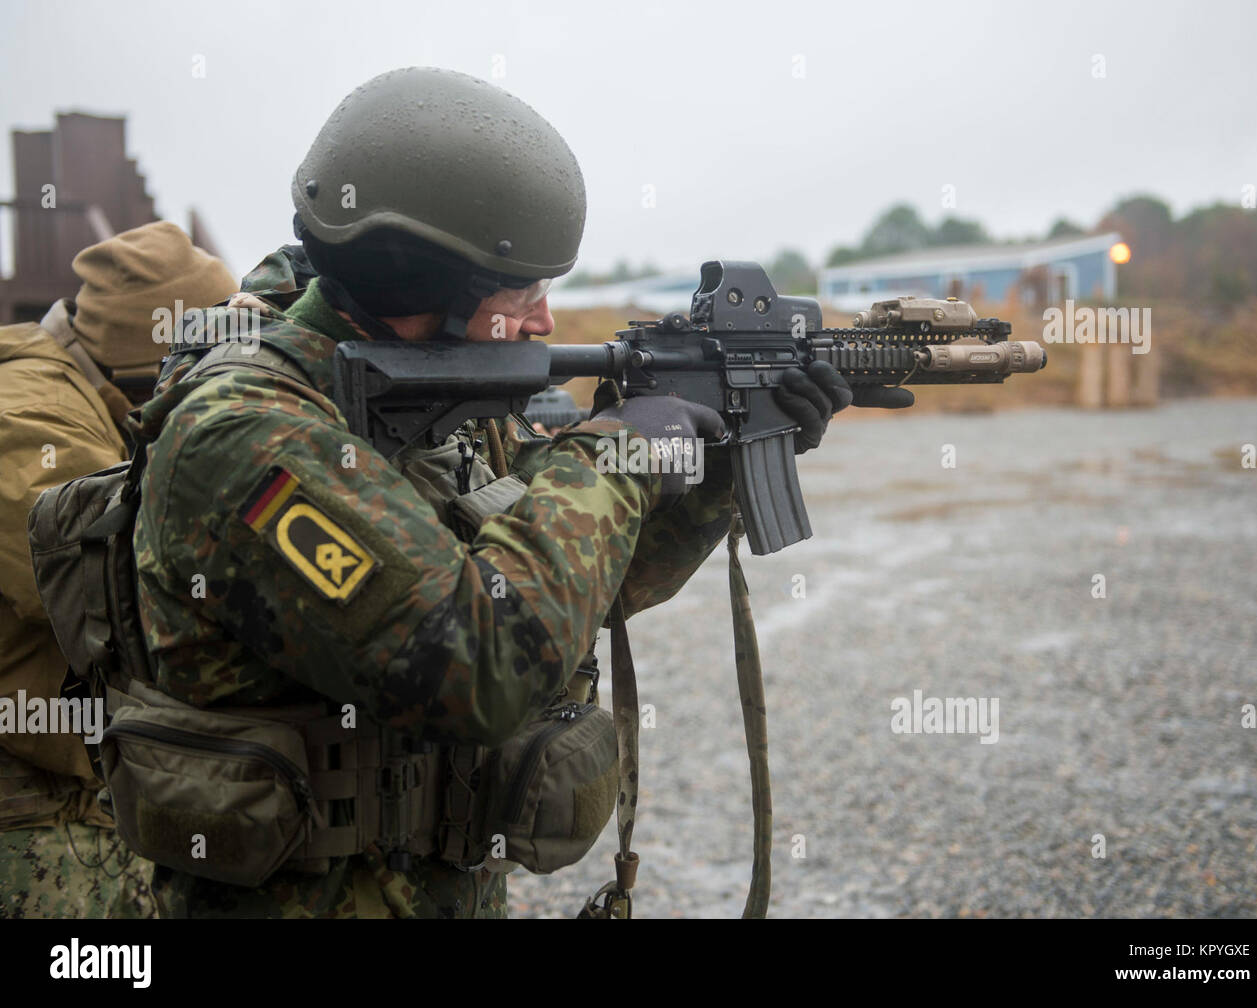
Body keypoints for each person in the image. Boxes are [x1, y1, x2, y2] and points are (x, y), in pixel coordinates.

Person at [129, 66, 855, 918]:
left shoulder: (442, 402)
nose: (546, 323)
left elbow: (575, 597)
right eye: (526, 293)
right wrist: (606, 461)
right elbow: (483, 663)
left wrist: (718, 469)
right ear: (427, 289)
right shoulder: (244, 434)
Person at [0, 221, 236, 917]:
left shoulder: (91, 386)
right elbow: (103, 580)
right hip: (34, 810)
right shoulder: (30, 416)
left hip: (78, 791)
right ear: (152, 363)